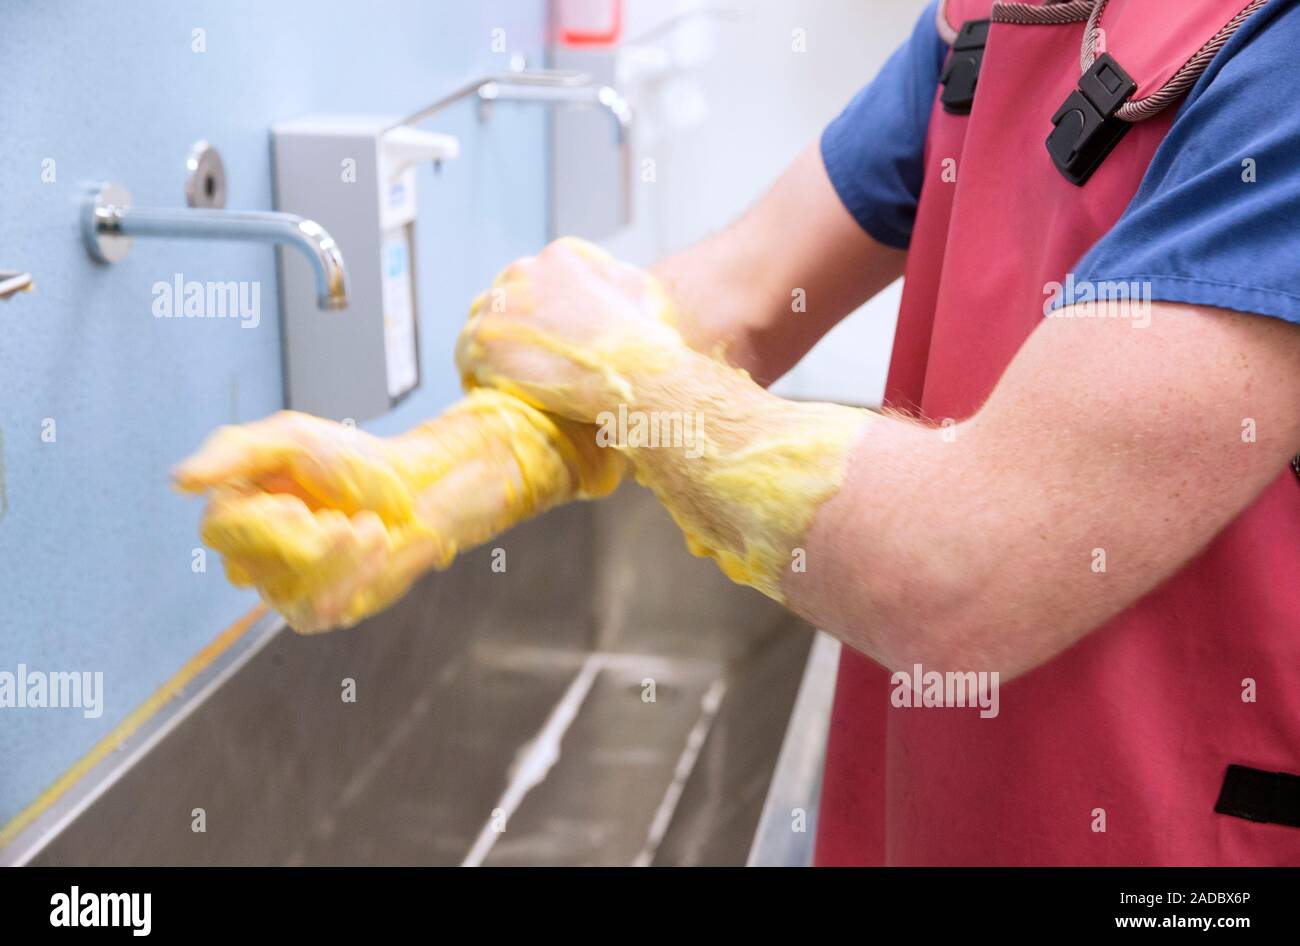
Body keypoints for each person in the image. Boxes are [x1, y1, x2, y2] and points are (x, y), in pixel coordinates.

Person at [176, 0, 1300, 864]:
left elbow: (967, 564)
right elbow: (748, 291)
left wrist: (620, 369)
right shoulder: (999, 22)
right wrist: (449, 473)